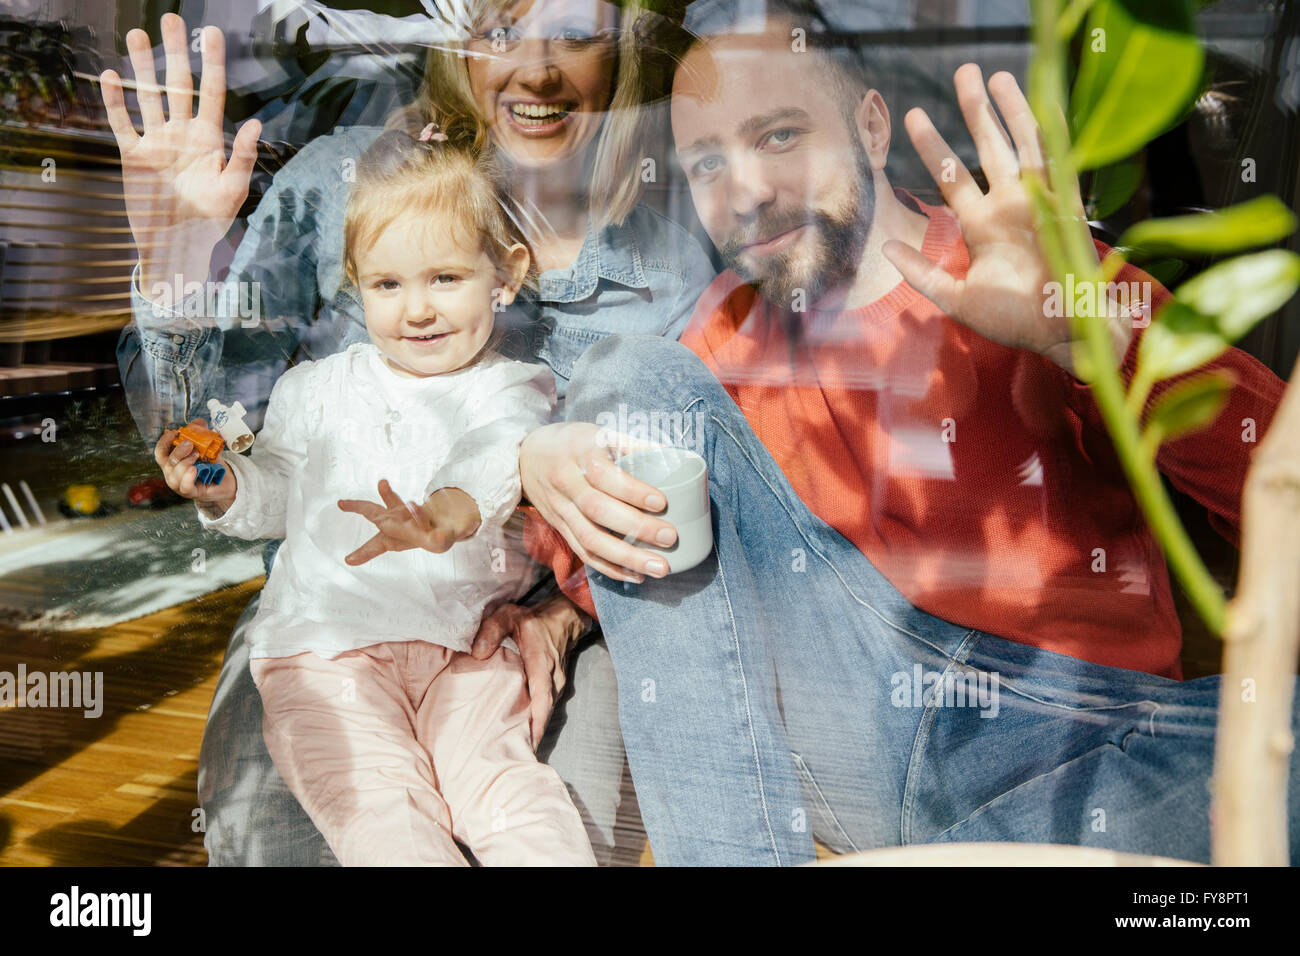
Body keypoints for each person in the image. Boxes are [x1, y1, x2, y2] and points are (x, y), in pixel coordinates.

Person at [503, 1, 1300, 864]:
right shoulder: (715, 341)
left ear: (871, 127)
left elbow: (1278, 483)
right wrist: (543, 464)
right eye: (706, 163)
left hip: (1087, 746)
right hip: (862, 745)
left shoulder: (1034, 268)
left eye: (778, 137)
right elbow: (642, 564)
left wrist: (1093, 338)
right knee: (628, 382)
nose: (748, 192)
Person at [104, 2, 715, 865]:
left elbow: (671, 493)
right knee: (321, 836)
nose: (535, 71)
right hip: (329, 626)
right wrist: (173, 267)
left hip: (510, 635)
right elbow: (215, 437)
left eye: (574, 34)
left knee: (545, 821)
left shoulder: (668, 264)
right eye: (500, 31)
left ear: (622, 52)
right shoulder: (335, 185)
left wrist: (568, 616)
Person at [153, 128, 593, 866]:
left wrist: (441, 516)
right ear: (357, 282)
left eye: (445, 278)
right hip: (326, 655)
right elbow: (281, 498)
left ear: (505, 276)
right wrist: (230, 487)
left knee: (515, 802)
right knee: (385, 818)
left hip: (468, 650)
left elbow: (490, 458)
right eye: (389, 285)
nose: (416, 309)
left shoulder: (514, 387)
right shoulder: (315, 390)